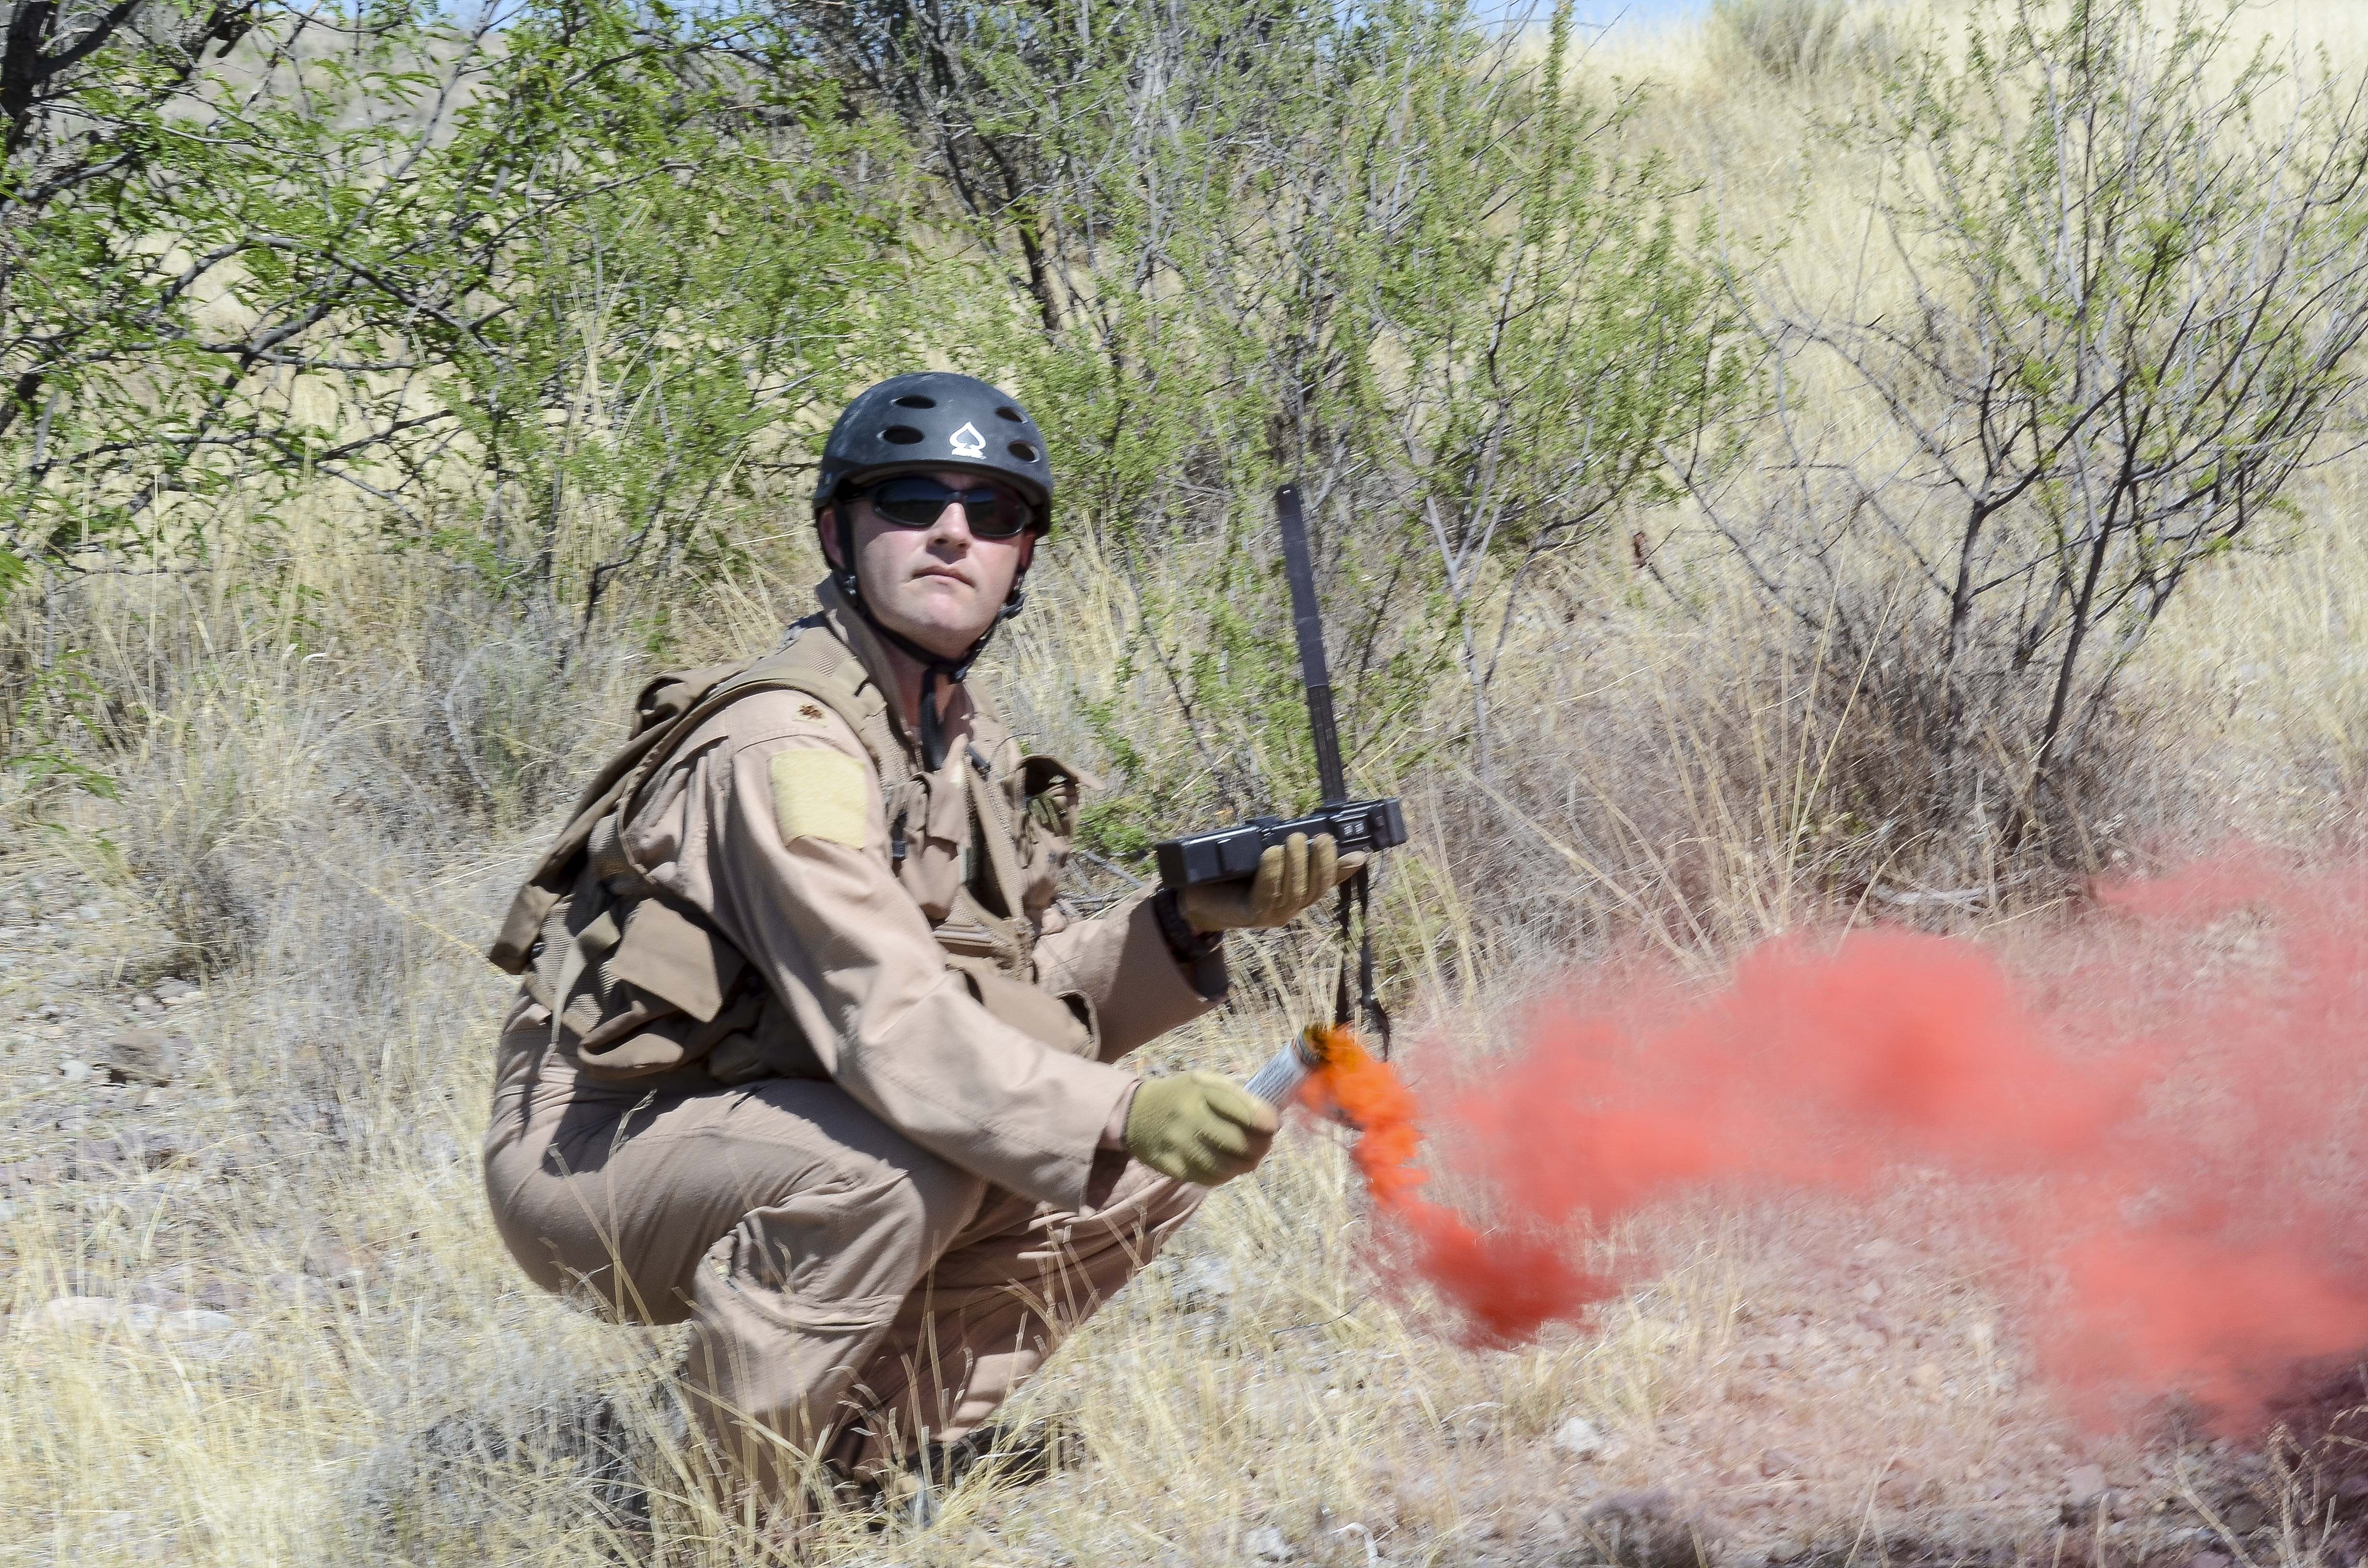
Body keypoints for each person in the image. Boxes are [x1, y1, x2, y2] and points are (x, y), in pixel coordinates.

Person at [479, 371, 1361, 1507]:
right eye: (909, 500)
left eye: (992, 514)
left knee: (1121, 1162)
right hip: (594, 1149)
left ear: (1021, 559)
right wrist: (1116, 1105)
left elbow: (1006, 1001)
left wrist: (1181, 925)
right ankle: (727, 1519)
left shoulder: (957, 744)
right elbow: (888, 1018)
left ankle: (850, 1463)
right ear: (840, 532)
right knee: (891, 1177)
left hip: (762, 1110)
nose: (953, 532)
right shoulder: (782, 747)